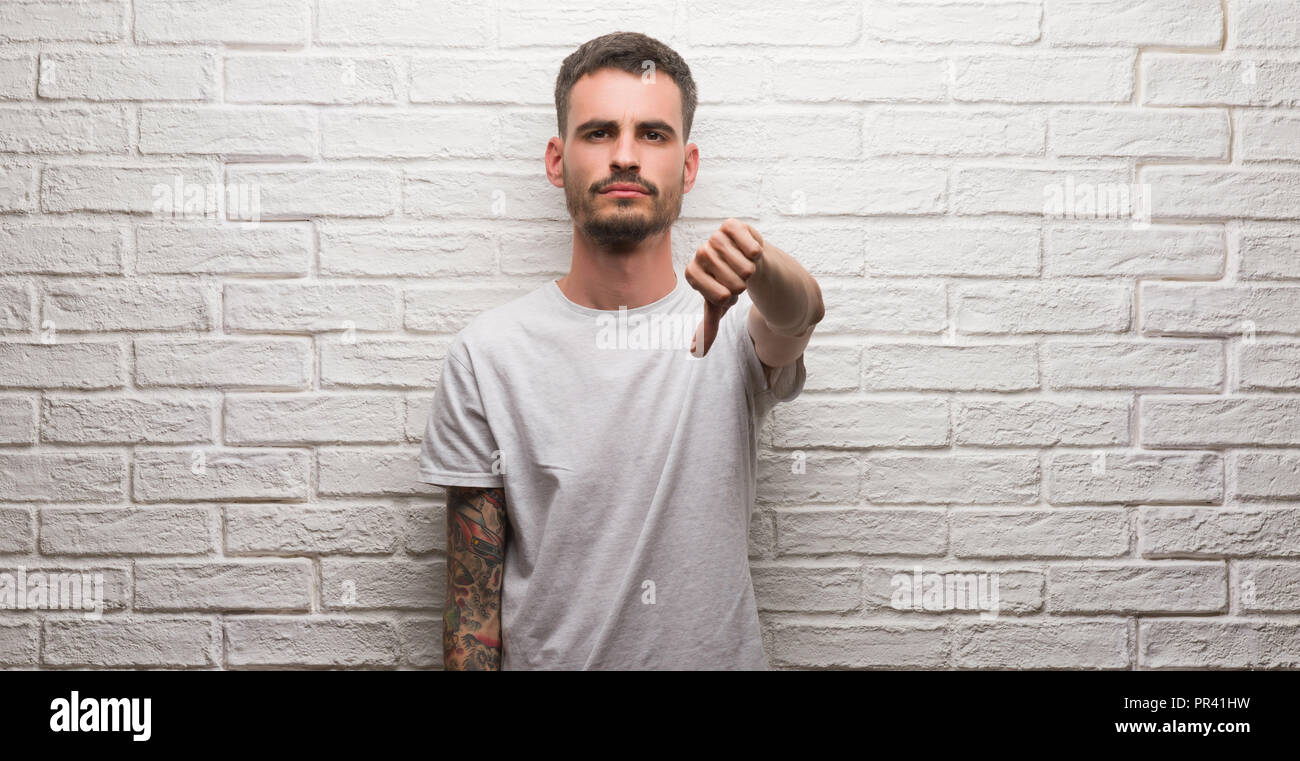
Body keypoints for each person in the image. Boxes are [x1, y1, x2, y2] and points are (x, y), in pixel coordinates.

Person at [418, 31, 825, 670]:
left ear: (688, 166)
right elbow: (472, 609)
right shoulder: (487, 354)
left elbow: (799, 314)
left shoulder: (735, 333)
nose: (626, 157)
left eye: (654, 135)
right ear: (558, 160)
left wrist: (758, 260)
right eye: (600, 132)